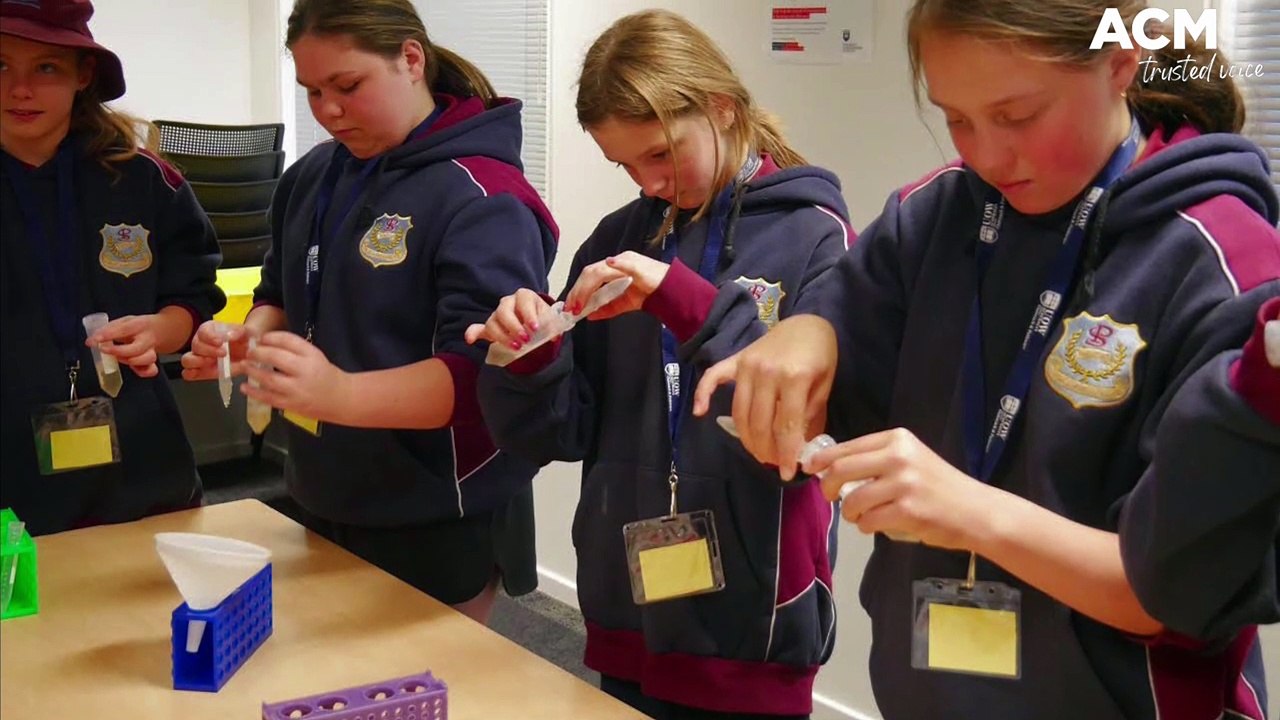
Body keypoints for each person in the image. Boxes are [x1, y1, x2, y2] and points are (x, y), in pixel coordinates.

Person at [688, 1, 1280, 718]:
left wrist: (970, 513)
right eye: (956, 118)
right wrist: (810, 330)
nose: (986, 157)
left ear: (1121, 64)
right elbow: (837, 380)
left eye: (1017, 115)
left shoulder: (1223, 261)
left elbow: (1171, 595)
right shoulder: (934, 214)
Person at [469, 10, 849, 719]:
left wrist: (683, 300)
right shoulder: (617, 242)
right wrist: (529, 356)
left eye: (660, 154)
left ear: (722, 108)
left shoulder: (815, 237)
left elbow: (806, 435)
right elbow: (561, 433)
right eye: (625, 166)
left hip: (754, 623)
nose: (648, 183)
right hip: (629, 605)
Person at [180, 0, 556, 624]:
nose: (328, 111)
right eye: (312, 91)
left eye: (348, 86)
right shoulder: (312, 175)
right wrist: (250, 339)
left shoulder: (484, 197)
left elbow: (484, 376)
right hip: (326, 480)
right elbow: (280, 292)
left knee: (425, 675)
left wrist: (338, 393)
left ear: (411, 59)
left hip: (437, 507)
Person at [0, 0, 223, 536]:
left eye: (46, 67)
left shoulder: (145, 179)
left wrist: (160, 330)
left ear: (84, 75)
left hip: (139, 462)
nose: (20, 89)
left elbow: (194, 292)